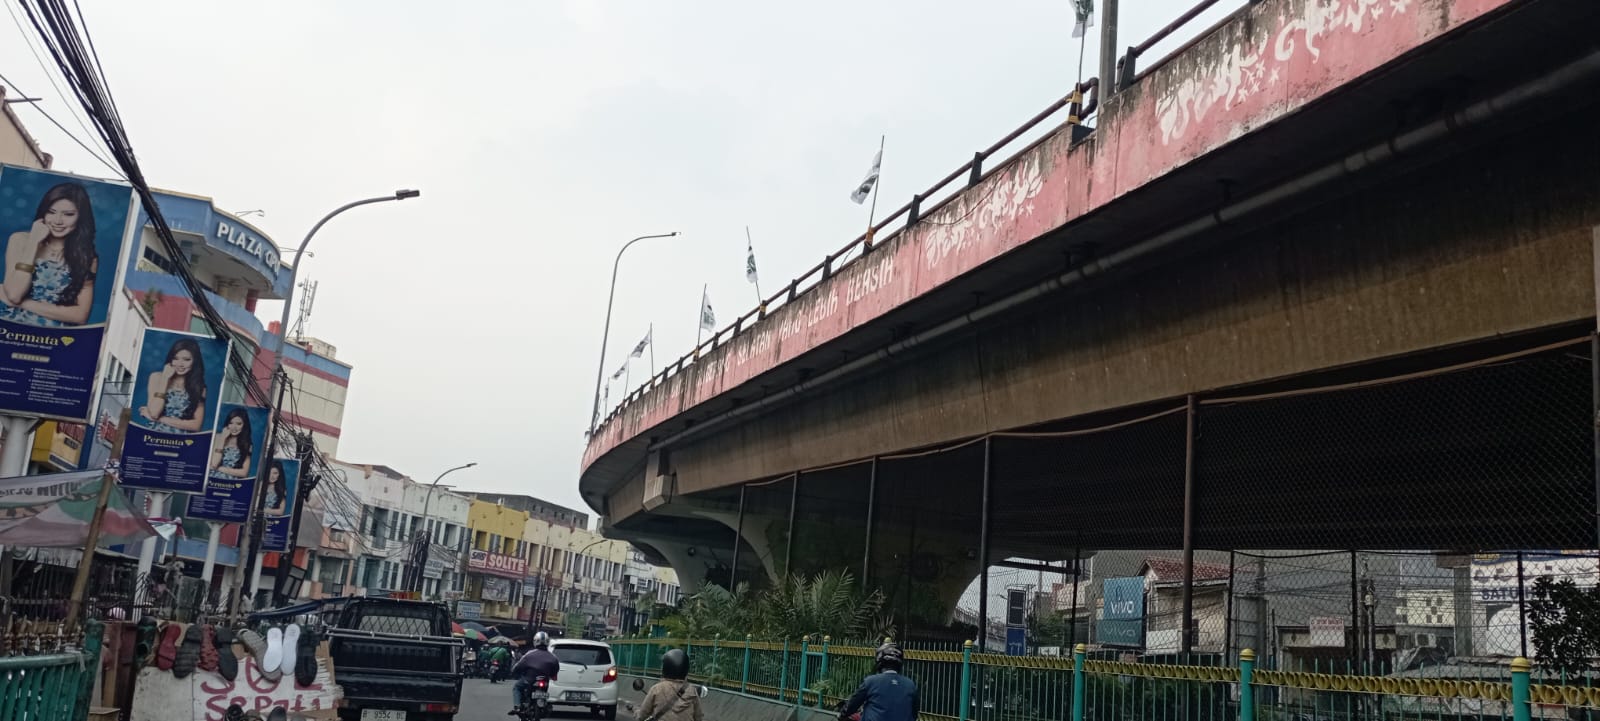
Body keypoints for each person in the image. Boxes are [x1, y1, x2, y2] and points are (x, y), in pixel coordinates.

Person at [0, 181, 99, 327]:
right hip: (8, 328)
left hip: (51, 338)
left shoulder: (86, 257)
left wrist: (24, 303)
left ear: (80, 218)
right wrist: (33, 242)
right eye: (51, 212)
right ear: (43, 213)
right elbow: (15, 293)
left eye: (68, 214)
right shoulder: (20, 240)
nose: (58, 221)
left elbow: (80, 316)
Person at [138, 338, 209, 433]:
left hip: (180, 441)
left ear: (195, 361)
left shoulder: (199, 387)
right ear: (170, 359)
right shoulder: (156, 377)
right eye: (175, 358)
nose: (180, 364)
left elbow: (196, 426)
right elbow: (154, 413)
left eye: (186, 359)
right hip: (153, 437)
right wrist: (165, 379)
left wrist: (160, 419)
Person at [839, 642, 918, 721]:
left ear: (879, 660)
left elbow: (851, 706)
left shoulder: (871, 681)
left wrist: (842, 715)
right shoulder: (910, 685)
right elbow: (914, 713)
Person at [636, 648, 703, 721]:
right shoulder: (692, 690)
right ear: (686, 669)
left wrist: (636, 711)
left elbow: (641, 716)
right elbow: (699, 717)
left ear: (665, 668)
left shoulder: (657, 689)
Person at [509, 631, 560, 711]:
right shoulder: (553, 657)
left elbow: (519, 665)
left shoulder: (529, 654)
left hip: (529, 679)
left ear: (535, 641)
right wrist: (552, 676)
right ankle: (544, 704)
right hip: (544, 680)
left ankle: (517, 706)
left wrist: (513, 671)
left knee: (517, 687)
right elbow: (556, 669)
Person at [209, 408, 254, 480]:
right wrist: (222, 439)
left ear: (244, 425)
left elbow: (244, 473)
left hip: (231, 483)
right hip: (213, 479)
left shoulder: (247, 444)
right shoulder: (218, 437)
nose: (234, 427)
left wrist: (220, 468)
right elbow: (214, 464)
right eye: (231, 423)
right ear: (227, 424)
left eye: (239, 424)